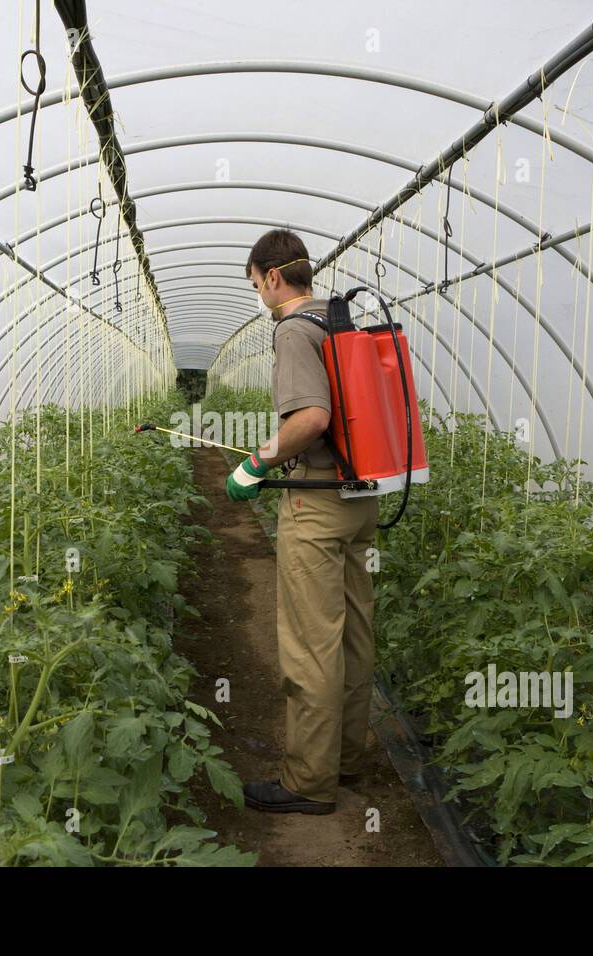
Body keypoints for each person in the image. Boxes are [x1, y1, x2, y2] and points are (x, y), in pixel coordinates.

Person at [225, 228, 379, 815]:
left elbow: (312, 418)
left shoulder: (292, 329)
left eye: (256, 285)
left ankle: (308, 782)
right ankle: (344, 757)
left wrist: (257, 463)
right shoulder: (339, 320)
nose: (260, 296)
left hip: (316, 501)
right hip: (360, 494)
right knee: (354, 634)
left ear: (271, 277)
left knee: (314, 642)